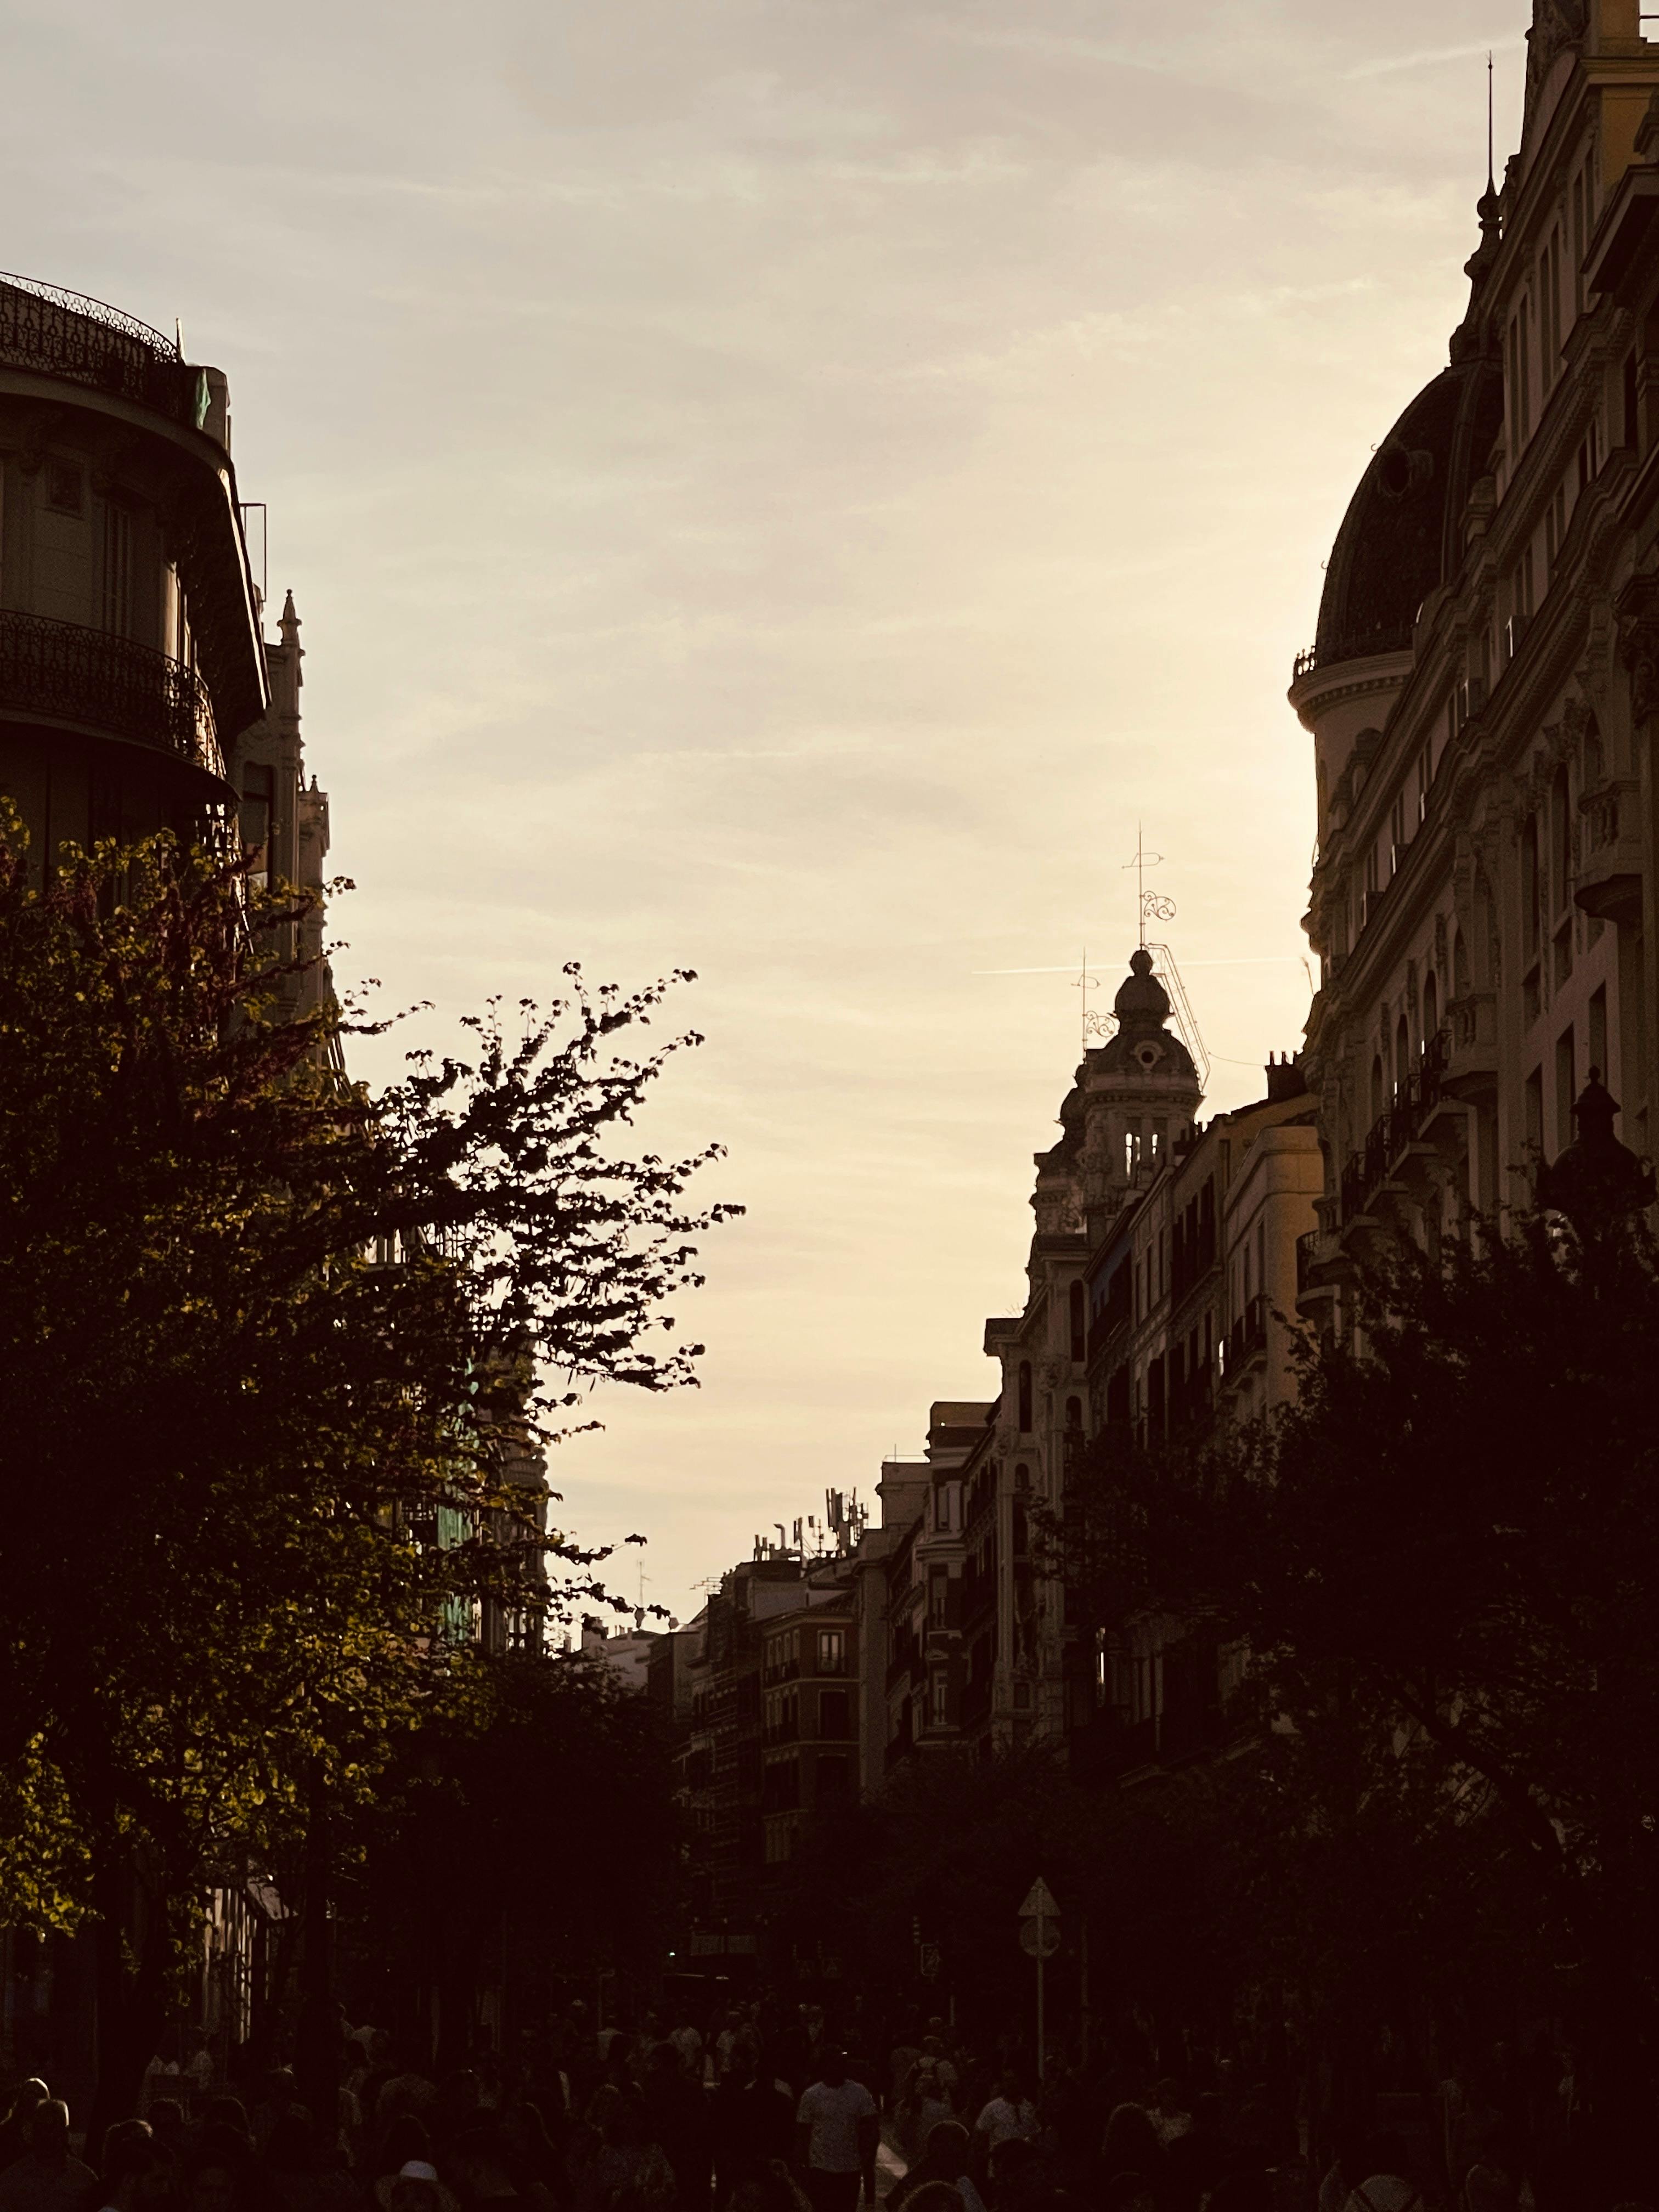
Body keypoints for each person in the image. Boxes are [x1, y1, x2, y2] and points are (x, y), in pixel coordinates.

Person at [794, 2054, 877, 2212]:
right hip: (821, 2166)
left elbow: (870, 2128)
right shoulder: (812, 2095)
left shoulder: (859, 2093)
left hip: (849, 2166)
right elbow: (802, 2132)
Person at [0, 2100, 98, 2212]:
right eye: (43, 2127)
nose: (49, 2135)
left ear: (65, 2132)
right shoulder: (12, 2179)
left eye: (55, 2127)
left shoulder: (84, 2179)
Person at [973, 2081, 1036, 2160]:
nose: (1012, 2084)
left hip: (1026, 2159)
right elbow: (979, 2133)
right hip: (1000, 2159)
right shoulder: (992, 2108)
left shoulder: (1030, 2107)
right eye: (1009, 2080)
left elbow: (1035, 2133)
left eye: (1015, 2080)